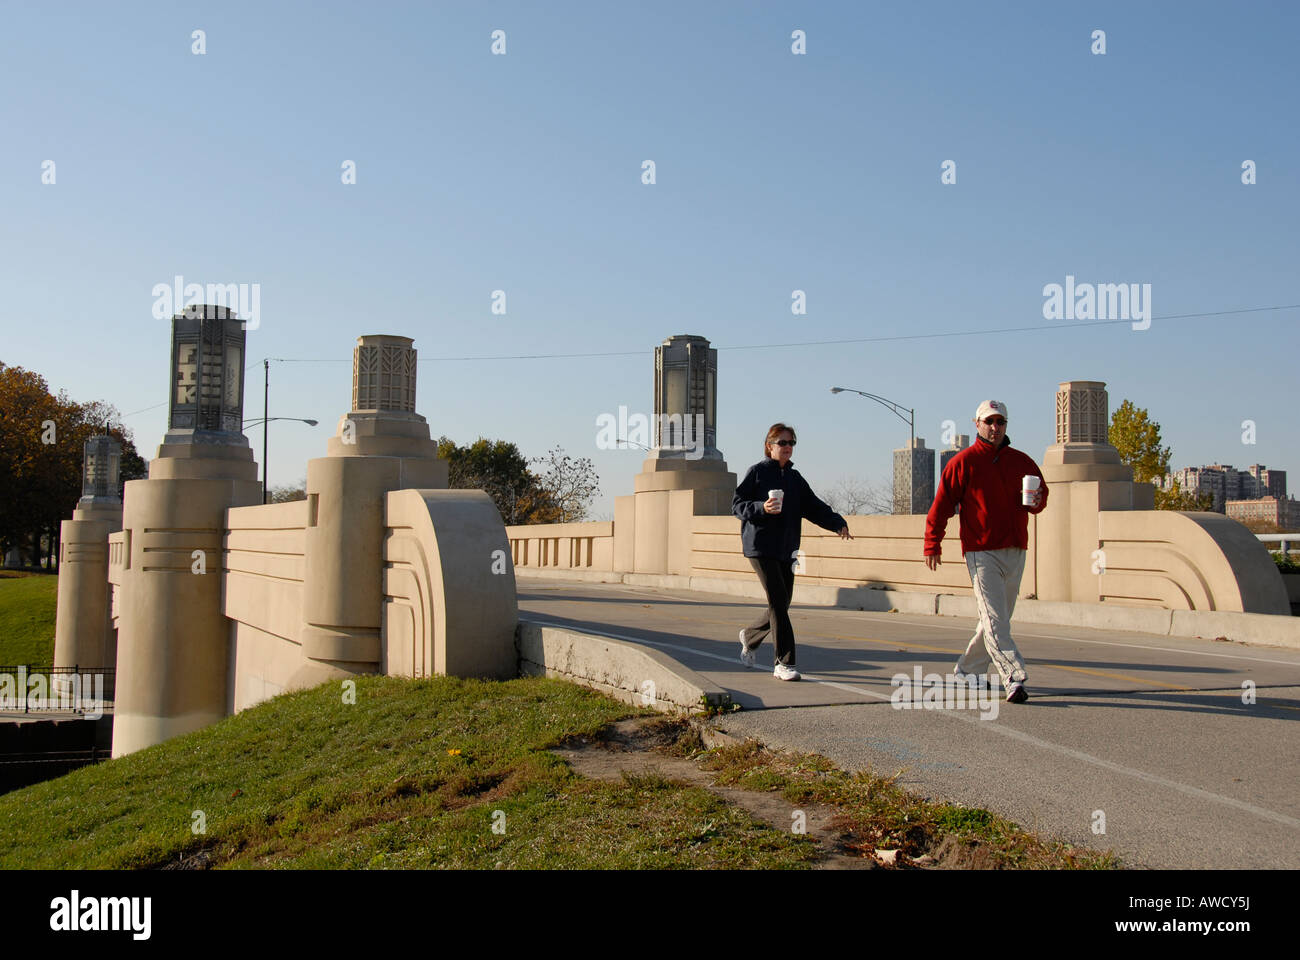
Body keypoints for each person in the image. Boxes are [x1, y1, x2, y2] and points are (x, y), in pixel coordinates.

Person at [924, 400, 1047, 703]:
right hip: (981, 553)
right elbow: (941, 507)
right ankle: (1013, 676)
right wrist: (932, 542)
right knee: (995, 620)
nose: (995, 428)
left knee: (995, 621)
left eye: (1000, 422)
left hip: (1016, 549)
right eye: (989, 422)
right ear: (976, 423)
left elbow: (1041, 499)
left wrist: (1037, 501)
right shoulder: (962, 463)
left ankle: (969, 670)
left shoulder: (1022, 462)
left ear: (1006, 425)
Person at [733, 423, 852, 681]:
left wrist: (837, 523)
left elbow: (814, 507)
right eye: (782, 443)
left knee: (782, 602)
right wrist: (762, 507)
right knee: (777, 601)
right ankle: (783, 663)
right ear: (769, 446)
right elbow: (738, 505)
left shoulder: (795, 479)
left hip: (787, 548)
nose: (787, 447)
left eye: (791, 443)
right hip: (760, 547)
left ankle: (750, 636)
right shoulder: (757, 473)